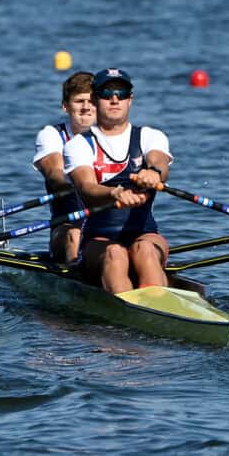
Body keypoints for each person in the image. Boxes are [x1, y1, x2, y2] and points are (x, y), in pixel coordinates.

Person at [63, 68, 172, 294]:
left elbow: (159, 160)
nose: (115, 99)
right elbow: (86, 187)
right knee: (116, 254)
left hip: (145, 233)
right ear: (94, 100)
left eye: (121, 93)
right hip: (98, 239)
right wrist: (114, 193)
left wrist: (153, 172)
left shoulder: (150, 136)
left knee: (145, 251)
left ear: (130, 99)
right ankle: (130, 309)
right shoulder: (78, 145)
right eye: (107, 93)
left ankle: (160, 308)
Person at [32, 71, 96, 263]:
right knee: (74, 234)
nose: (86, 107)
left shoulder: (115, 138)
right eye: (79, 101)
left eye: (91, 101)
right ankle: (79, 276)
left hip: (108, 226)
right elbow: (54, 173)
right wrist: (76, 184)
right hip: (67, 227)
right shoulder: (51, 135)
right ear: (65, 106)